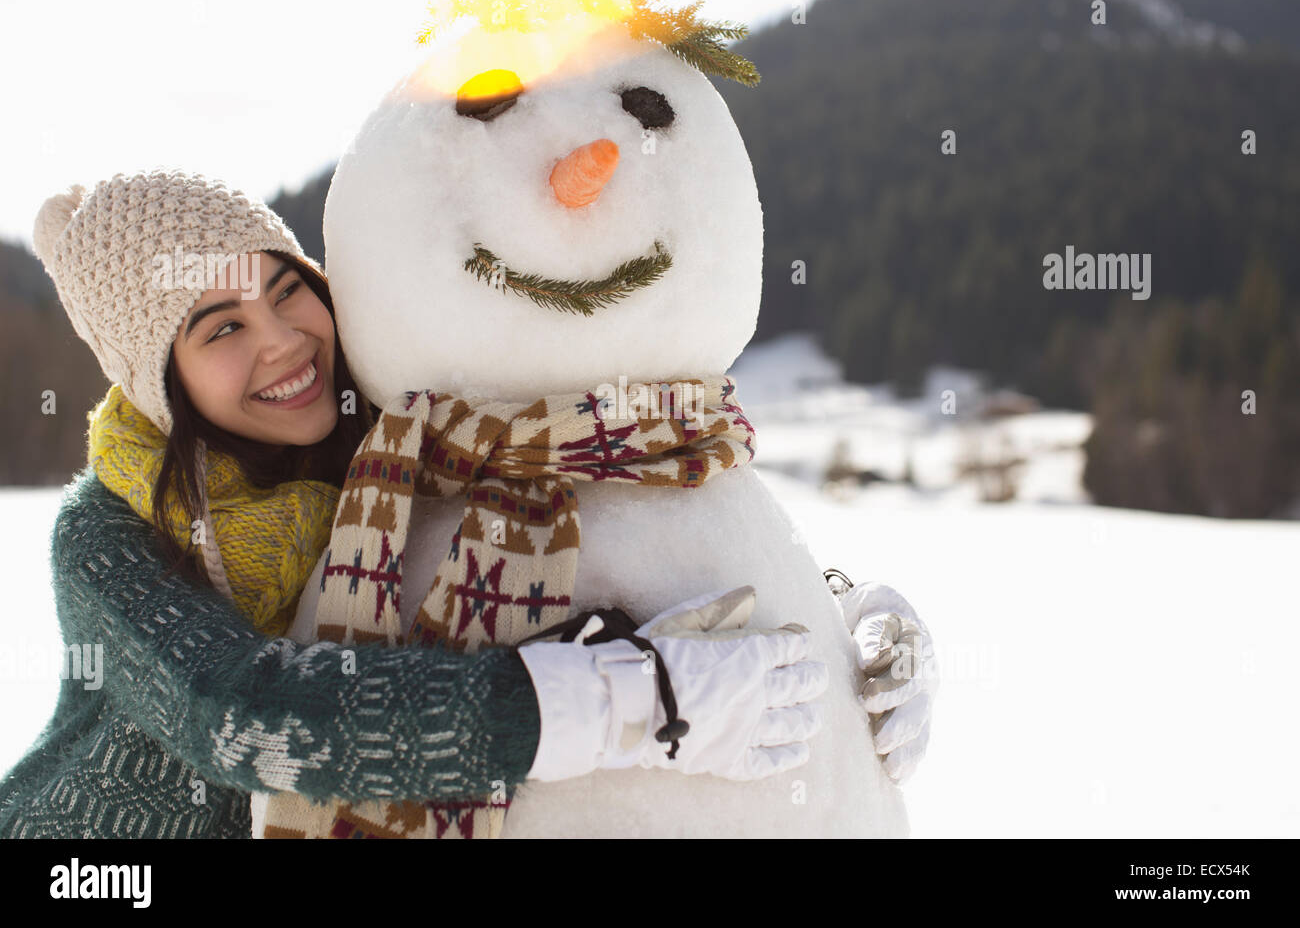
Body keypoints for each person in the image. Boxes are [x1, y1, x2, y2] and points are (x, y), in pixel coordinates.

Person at [0, 169, 832, 838]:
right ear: (160, 384)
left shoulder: (396, 446)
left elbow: (564, 447)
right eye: (221, 328)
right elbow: (242, 712)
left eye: (287, 290)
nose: (283, 340)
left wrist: (840, 625)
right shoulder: (108, 537)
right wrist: (624, 704)